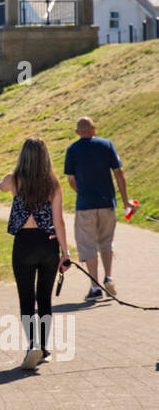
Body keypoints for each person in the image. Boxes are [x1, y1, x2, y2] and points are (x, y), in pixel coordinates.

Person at [0, 139, 70, 370]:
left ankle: (32, 345)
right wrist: (65, 253)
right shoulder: (54, 184)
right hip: (48, 244)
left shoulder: (15, 180)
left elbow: (1, 185)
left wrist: (13, 172)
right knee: (45, 299)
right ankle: (44, 348)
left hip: (24, 244)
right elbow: (59, 222)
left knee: (26, 298)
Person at [64, 117, 133, 301]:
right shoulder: (106, 145)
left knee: (88, 245)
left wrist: (81, 192)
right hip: (107, 203)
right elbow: (119, 173)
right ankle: (109, 278)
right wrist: (126, 201)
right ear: (94, 129)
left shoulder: (72, 150)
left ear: (78, 132)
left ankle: (95, 287)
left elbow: (70, 179)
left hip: (85, 205)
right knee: (106, 242)